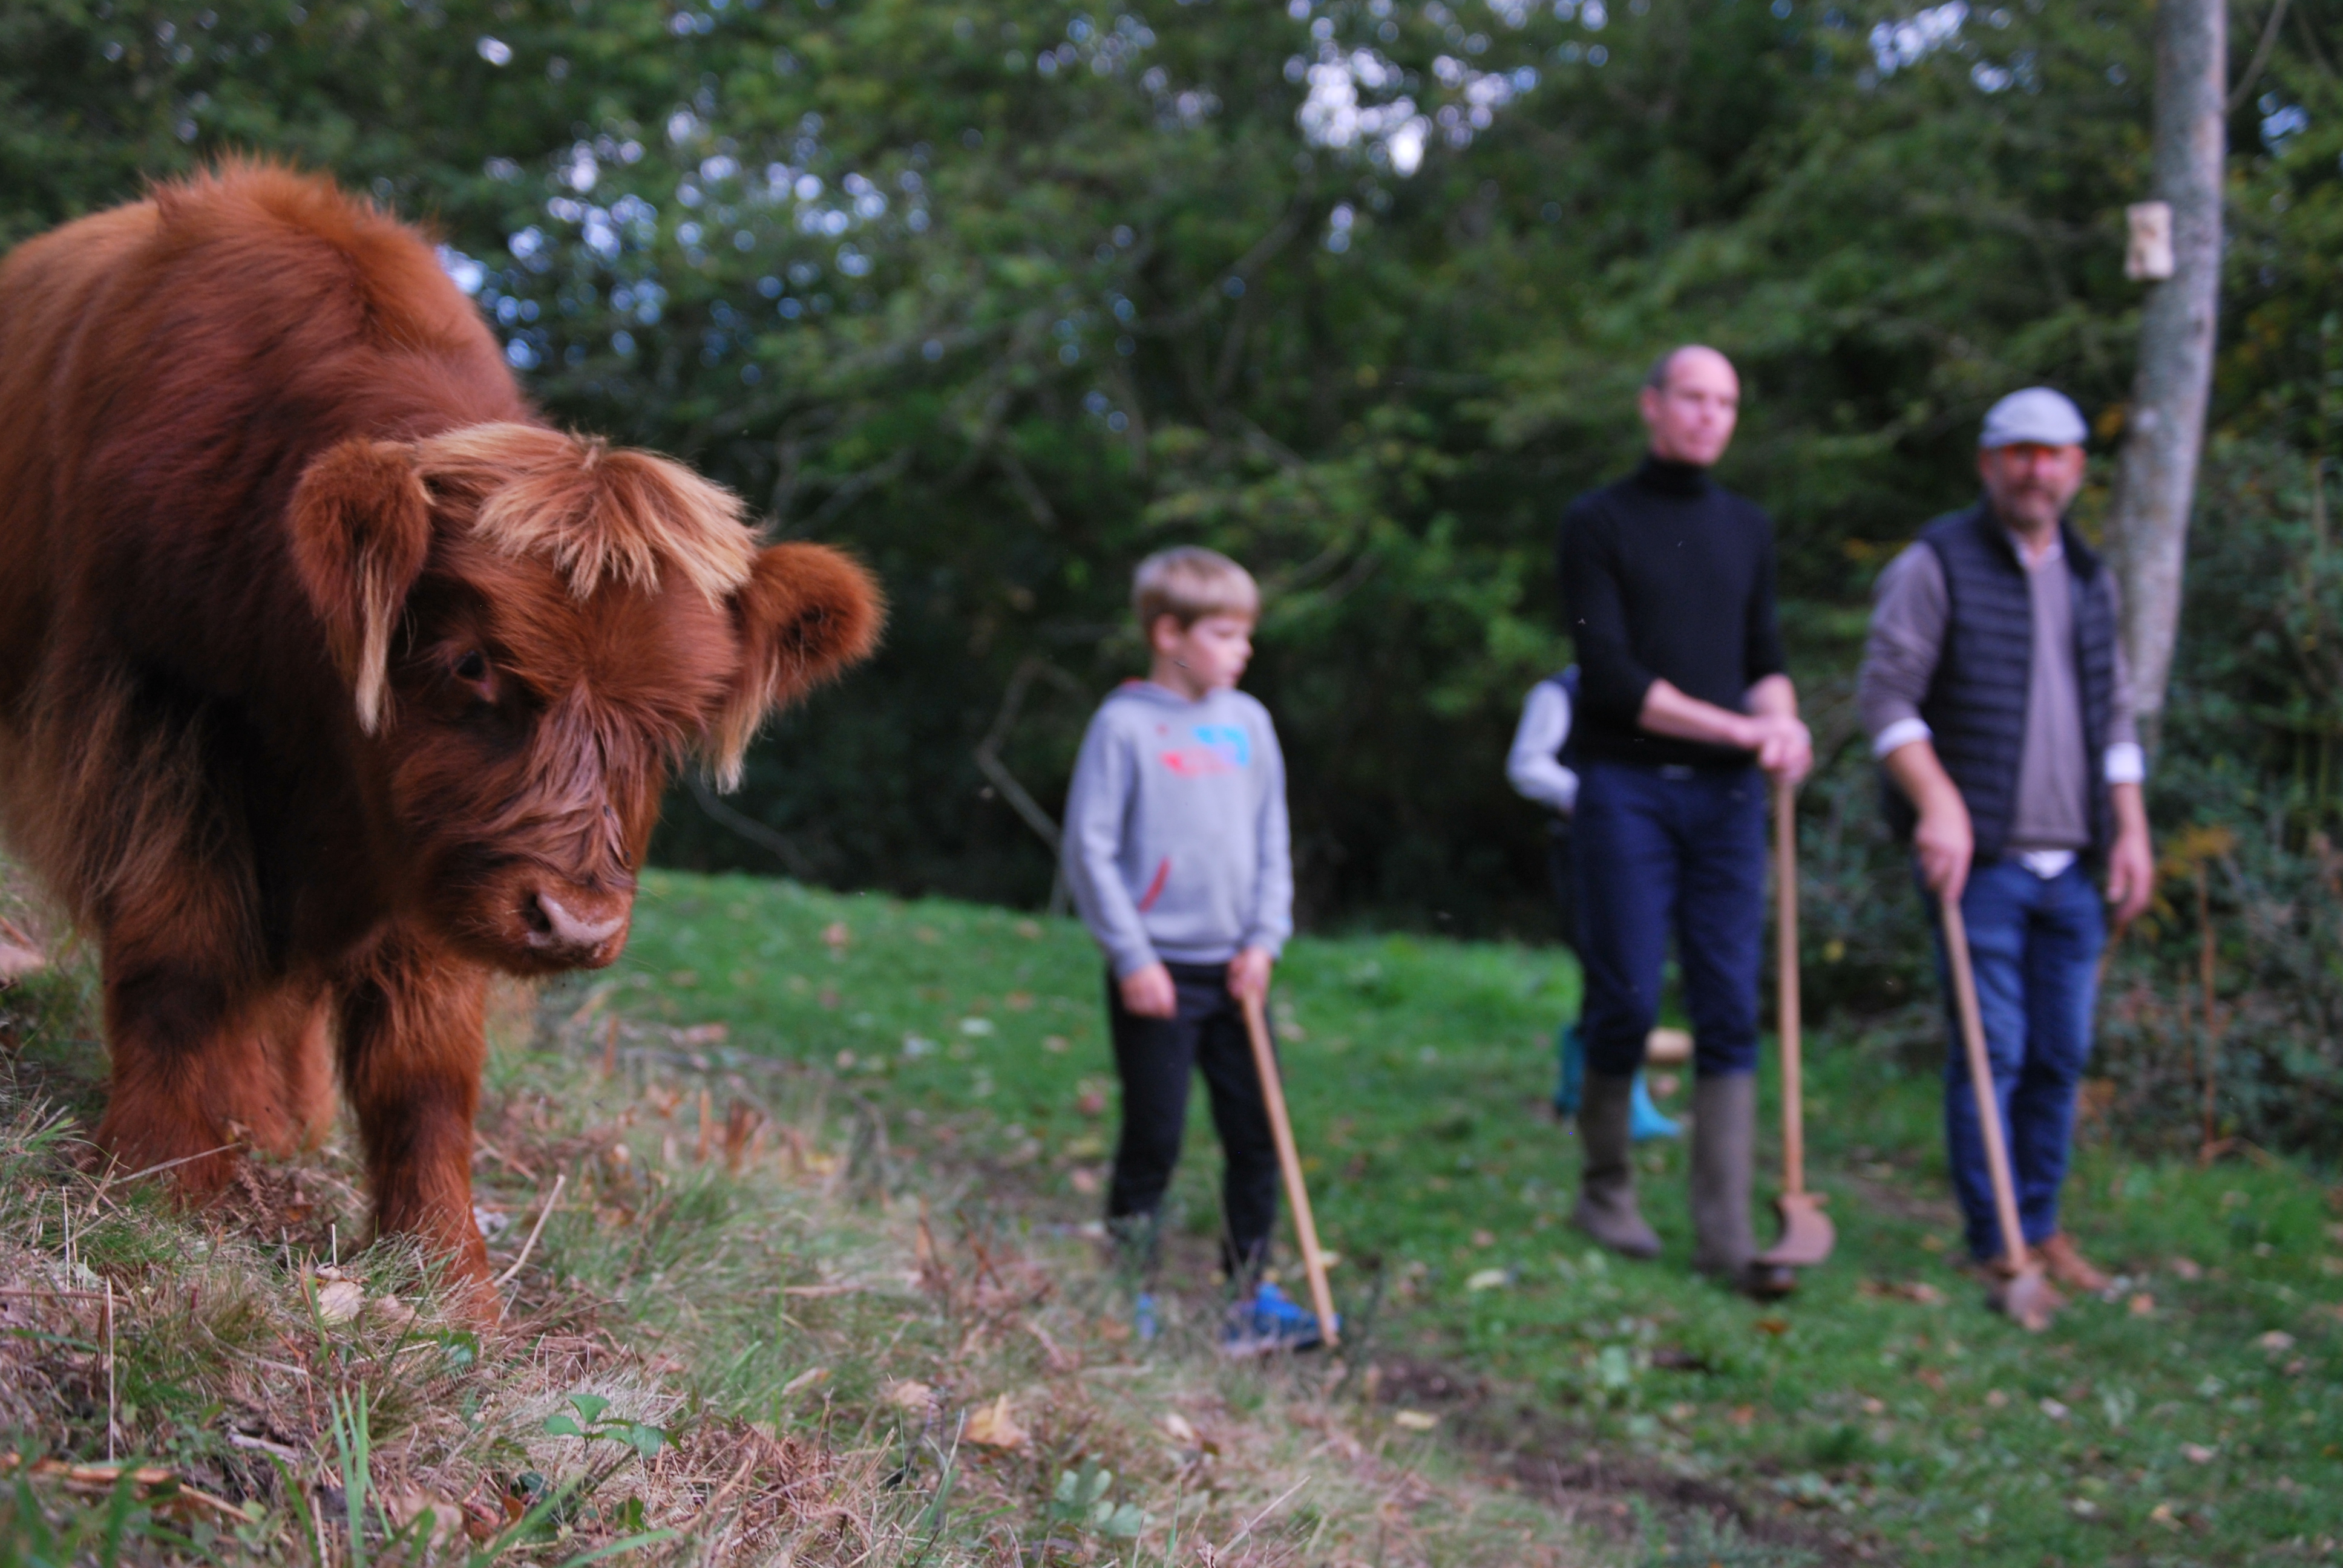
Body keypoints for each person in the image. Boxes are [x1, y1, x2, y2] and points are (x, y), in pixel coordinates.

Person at [1858, 387, 2154, 1298]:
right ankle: (1996, 1243)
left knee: (2059, 1056)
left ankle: (2041, 1226)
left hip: (2073, 866)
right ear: (1989, 464)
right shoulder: (1934, 565)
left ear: (2077, 468)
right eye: (2019, 452)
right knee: (1994, 1051)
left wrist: (2132, 828)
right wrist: (1937, 803)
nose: (2036, 469)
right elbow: (1886, 699)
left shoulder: (2090, 578)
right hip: (1978, 863)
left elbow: (2114, 714)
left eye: (2053, 453)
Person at [1556, 344, 1811, 1296]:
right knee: (1626, 994)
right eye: (1694, 398)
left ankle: (1728, 1237)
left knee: (1729, 1003)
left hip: (1729, 801)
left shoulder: (1746, 527)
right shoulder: (1597, 522)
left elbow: (1764, 655)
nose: (1710, 416)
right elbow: (1610, 677)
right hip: (1626, 787)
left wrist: (1781, 721)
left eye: (1727, 403)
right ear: (1652, 406)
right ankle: (1605, 1189)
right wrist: (1740, 728)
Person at [1061, 546, 1322, 1353]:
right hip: (1158, 976)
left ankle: (1248, 1296)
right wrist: (1132, 956)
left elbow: (1271, 838)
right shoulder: (1123, 727)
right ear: (1168, 633)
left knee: (1257, 1137)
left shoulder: (1249, 723)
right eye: (1225, 633)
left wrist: (1264, 941)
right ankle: (1128, 1292)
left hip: (1238, 971)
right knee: (1156, 1136)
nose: (1244, 650)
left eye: (1245, 633)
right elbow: (1089, 849)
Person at [1506, 667, 1679, 1140]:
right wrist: (1596, 798)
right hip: (1585, 849)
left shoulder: (1663, 689)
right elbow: (1527, 765)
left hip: (1649, 850)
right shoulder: (1560, 692)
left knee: (1632, 967)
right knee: (1608, 966)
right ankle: (1604, 1096)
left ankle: (1590, 1091)